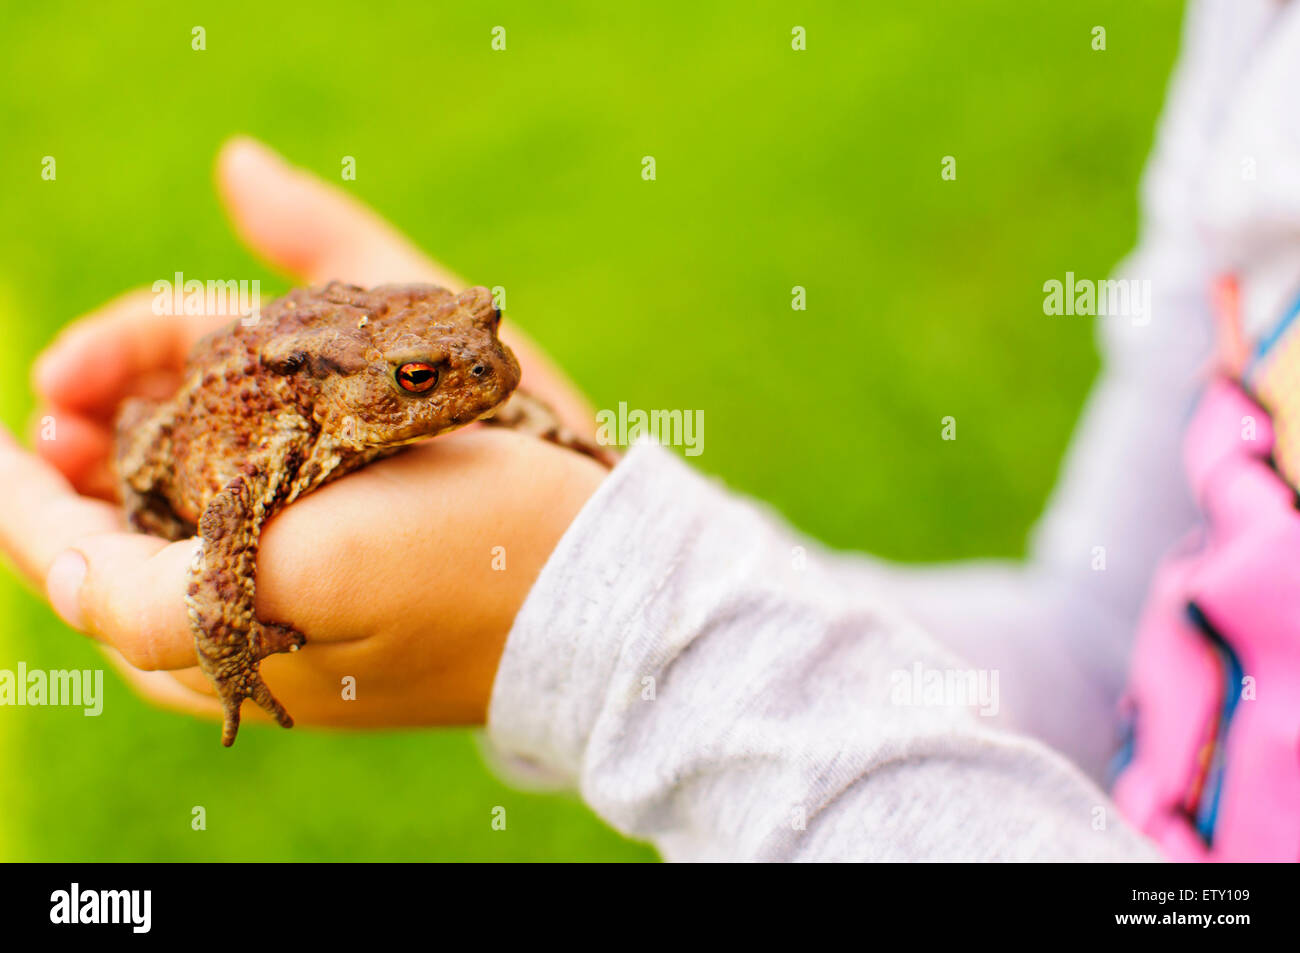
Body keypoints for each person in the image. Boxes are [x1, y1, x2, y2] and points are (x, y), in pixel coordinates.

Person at [2, 0, 1296, 861]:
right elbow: (1109, 653)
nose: (477, 374)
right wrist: (607, 529)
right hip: (246, 391)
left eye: (485, 342)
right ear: (367, 387)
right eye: (425, 378)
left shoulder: (436, 373)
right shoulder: (1252, 52)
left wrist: (602, 604)